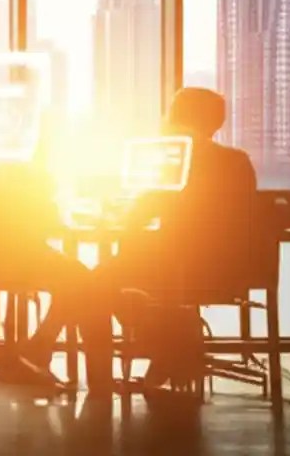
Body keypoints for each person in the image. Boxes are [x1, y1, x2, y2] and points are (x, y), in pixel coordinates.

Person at [97, 87, 257, 388]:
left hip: (177, 270)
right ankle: (177, 345)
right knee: (141, 273)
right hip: (230, 273)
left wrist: (122, 219)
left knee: (96, 283)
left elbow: (138, 216)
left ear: (177, 117)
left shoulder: (173, 160)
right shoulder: (238, 161)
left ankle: (165, 347)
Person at [0, 132, 114, 393]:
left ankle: (35, 352)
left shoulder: (6, 173)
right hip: (1, 260)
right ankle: (45, 355)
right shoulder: (28, 179)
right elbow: (48, 226)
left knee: (77, 279)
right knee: (83, 281)